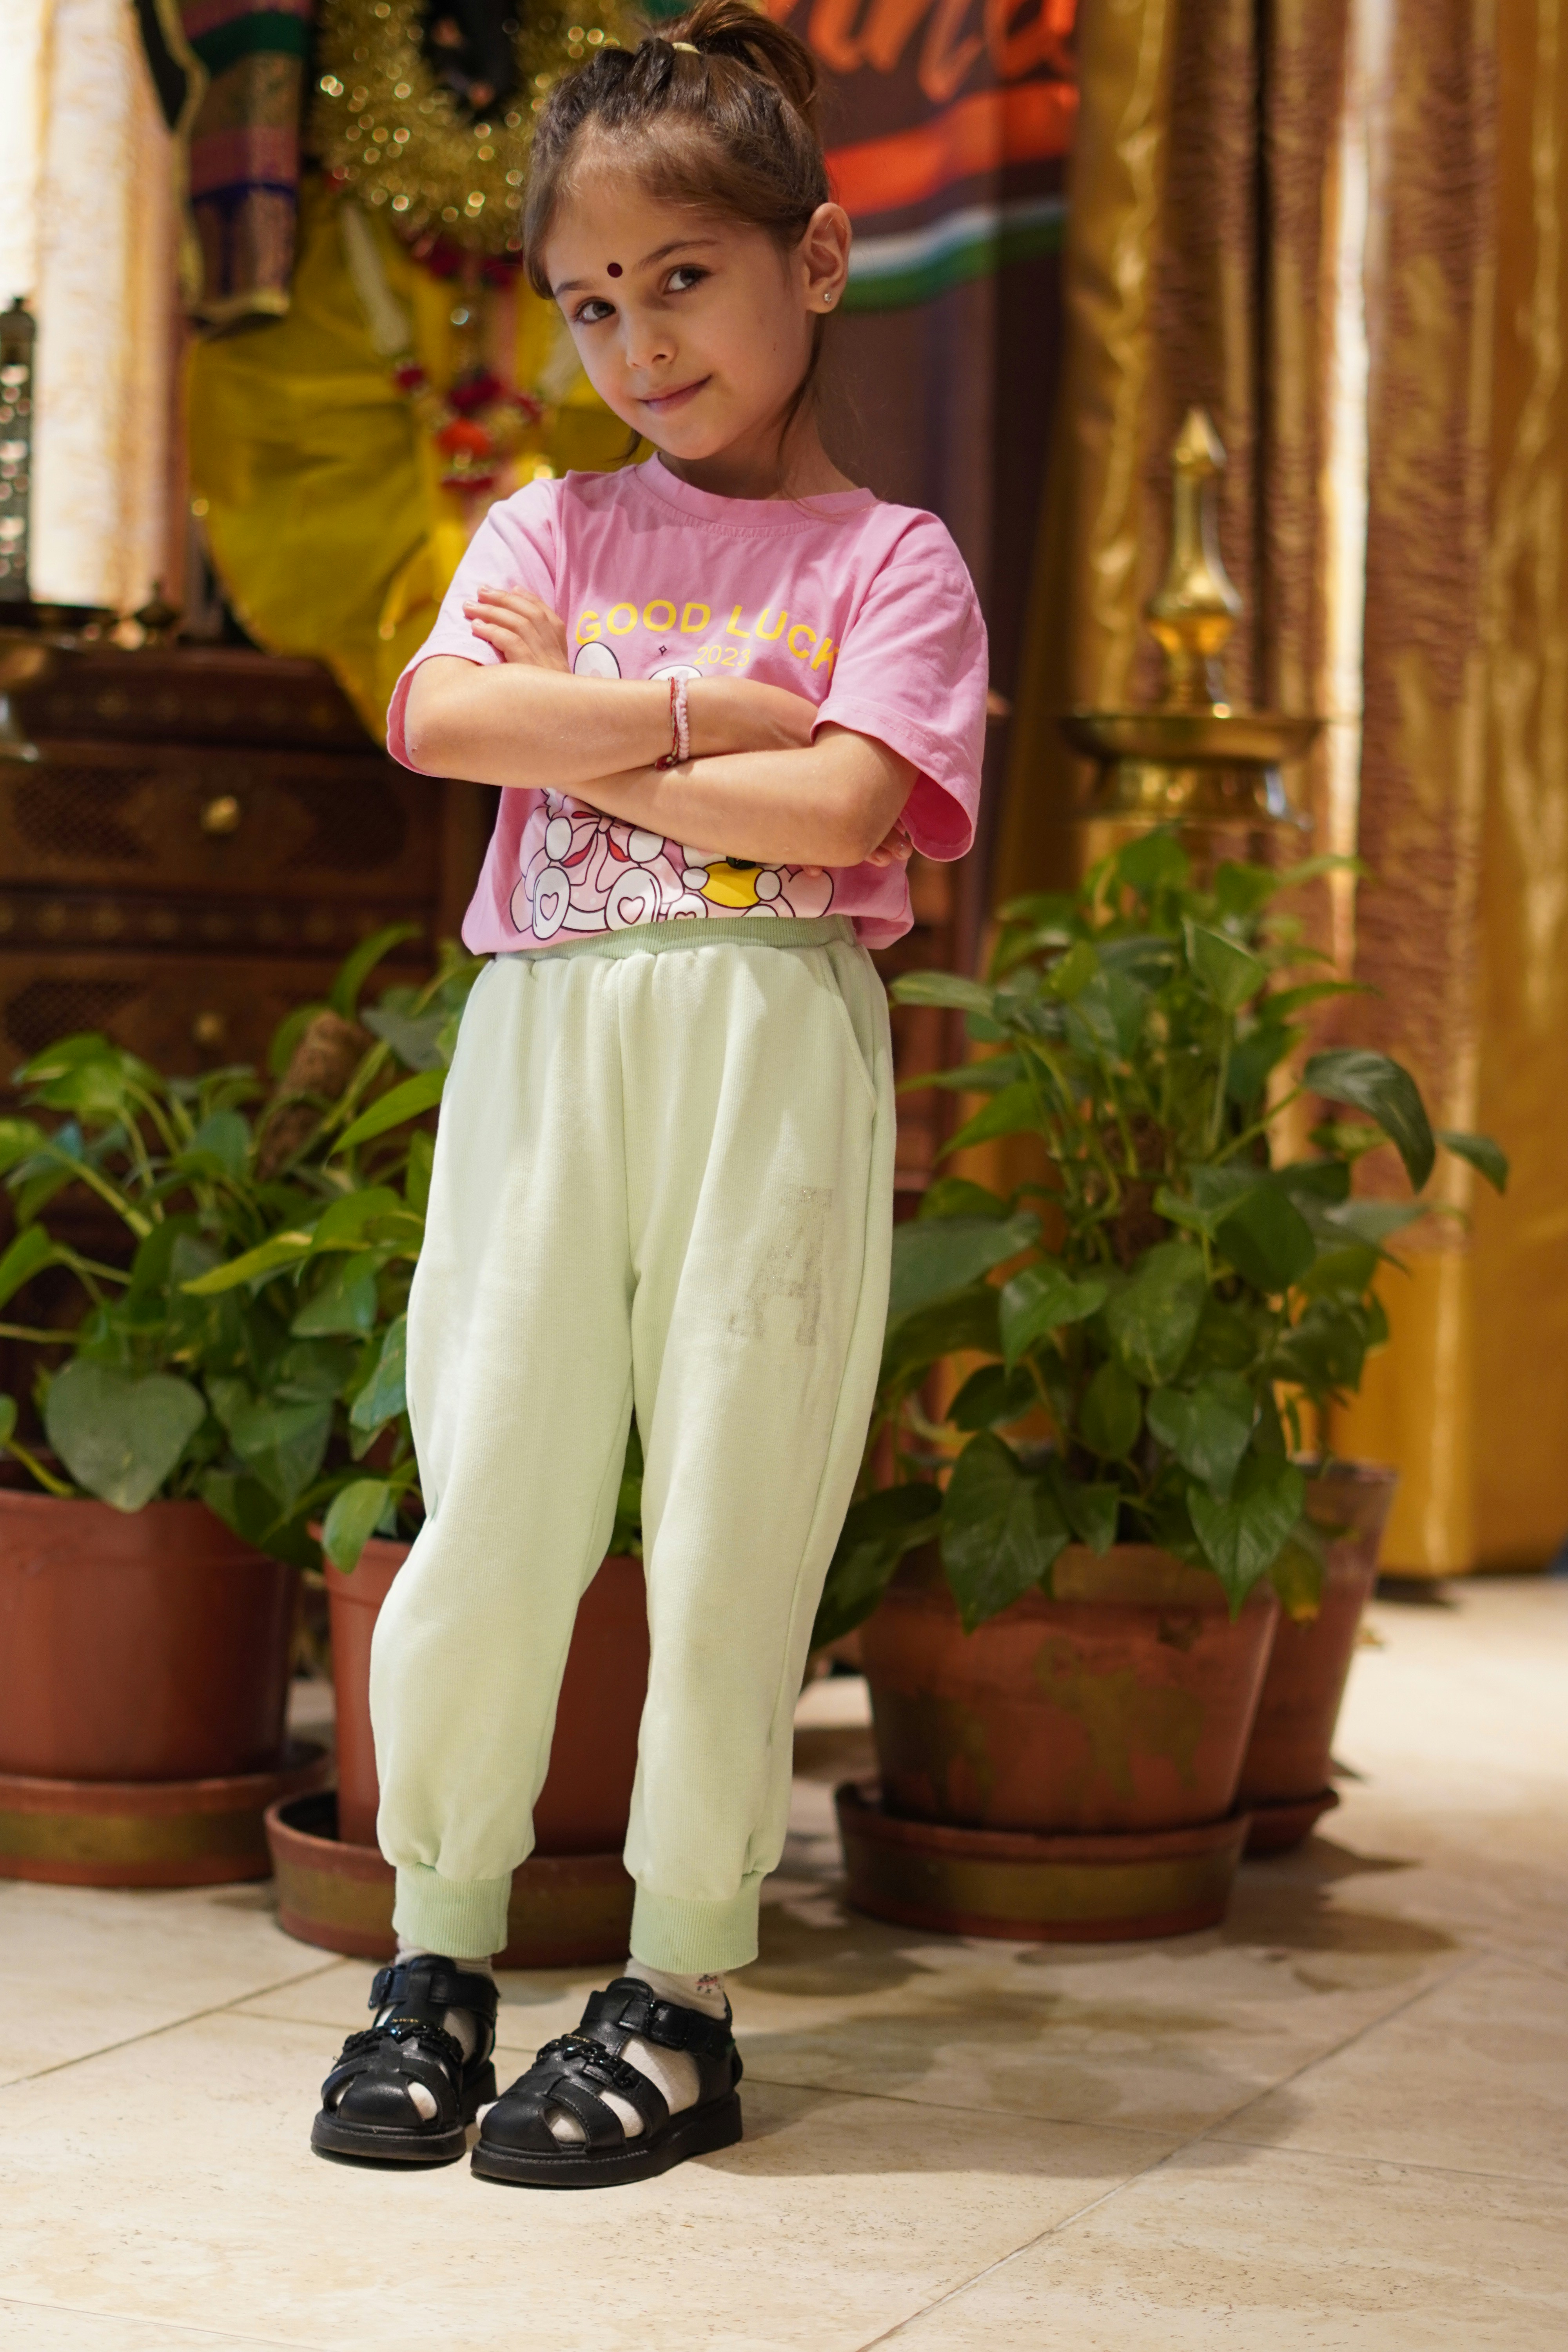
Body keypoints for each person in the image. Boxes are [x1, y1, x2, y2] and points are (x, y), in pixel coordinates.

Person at [310, 0, 987, 2189]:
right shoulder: (550, 522)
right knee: (495, 1477)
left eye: (678, 279)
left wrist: (600, 716)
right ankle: (438, 1948)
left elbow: (858, 797)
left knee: (727, 1506)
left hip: (774, 1046)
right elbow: (440, 722)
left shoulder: (894, 568)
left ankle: (681, 1989)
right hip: (551, 1036)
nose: (634, 341)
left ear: (814, 259)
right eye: (591, 302)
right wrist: (711, 719)